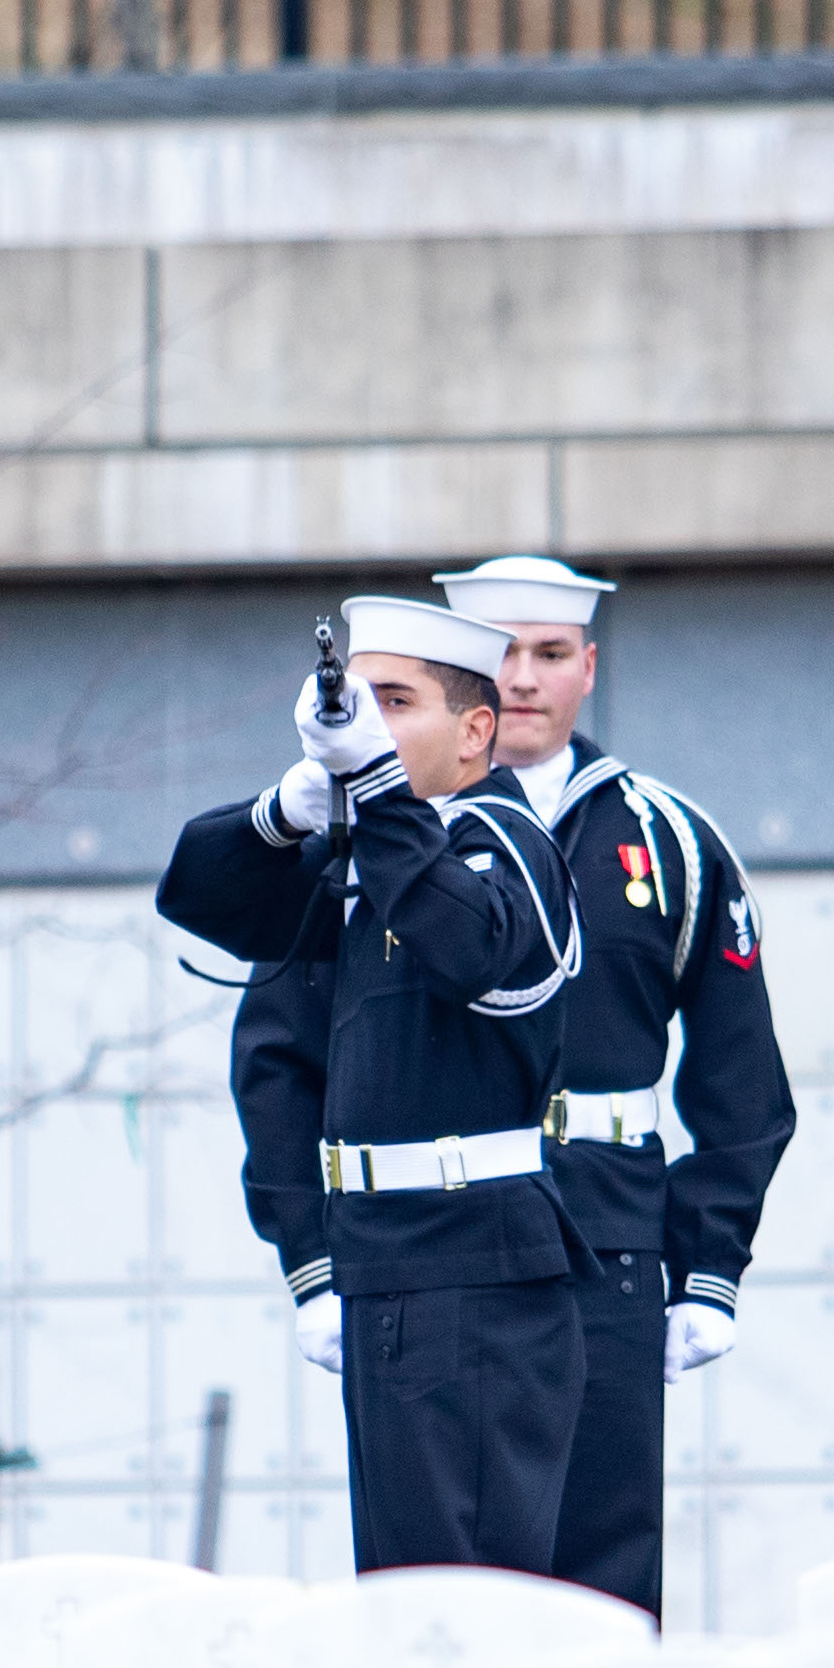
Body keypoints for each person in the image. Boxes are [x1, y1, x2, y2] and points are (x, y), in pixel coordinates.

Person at [164, 596, 587, 1577]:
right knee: (403, 1586)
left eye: (397, 704)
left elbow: (469, 944)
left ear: (476, 731)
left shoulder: (505, 843)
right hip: (380, 1264)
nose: (369, 727)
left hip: (478, 1266)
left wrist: (378, 790)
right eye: (359, 705)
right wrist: (288, 810)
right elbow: (205, 907)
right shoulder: (363, 856)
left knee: (470, 1588)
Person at [434, 553, 796, 1622]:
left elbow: (743, 1080)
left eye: (551, 654)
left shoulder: (669, 838)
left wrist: (712, 1263)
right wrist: (316, 1251)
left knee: (602, 1570)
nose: (524, 680)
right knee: (452, 1578)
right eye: (499, 655)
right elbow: (295, 1051)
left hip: (610, 1241)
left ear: (588, 667)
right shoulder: (393, 836)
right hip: (440, 1238)